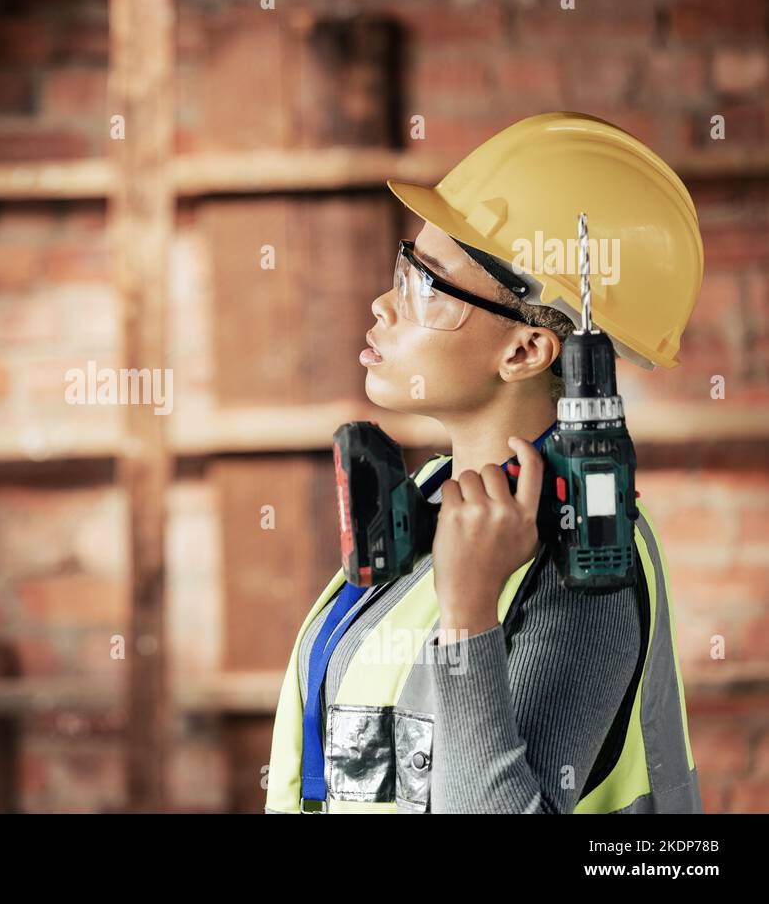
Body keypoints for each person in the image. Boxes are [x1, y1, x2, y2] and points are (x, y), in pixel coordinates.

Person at [265, 111, 704, 813]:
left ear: (526, 351)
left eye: (425, 286)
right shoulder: (434, 502)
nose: (383, 305)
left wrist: (470, 614)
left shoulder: (586, 562)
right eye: (404, 269)